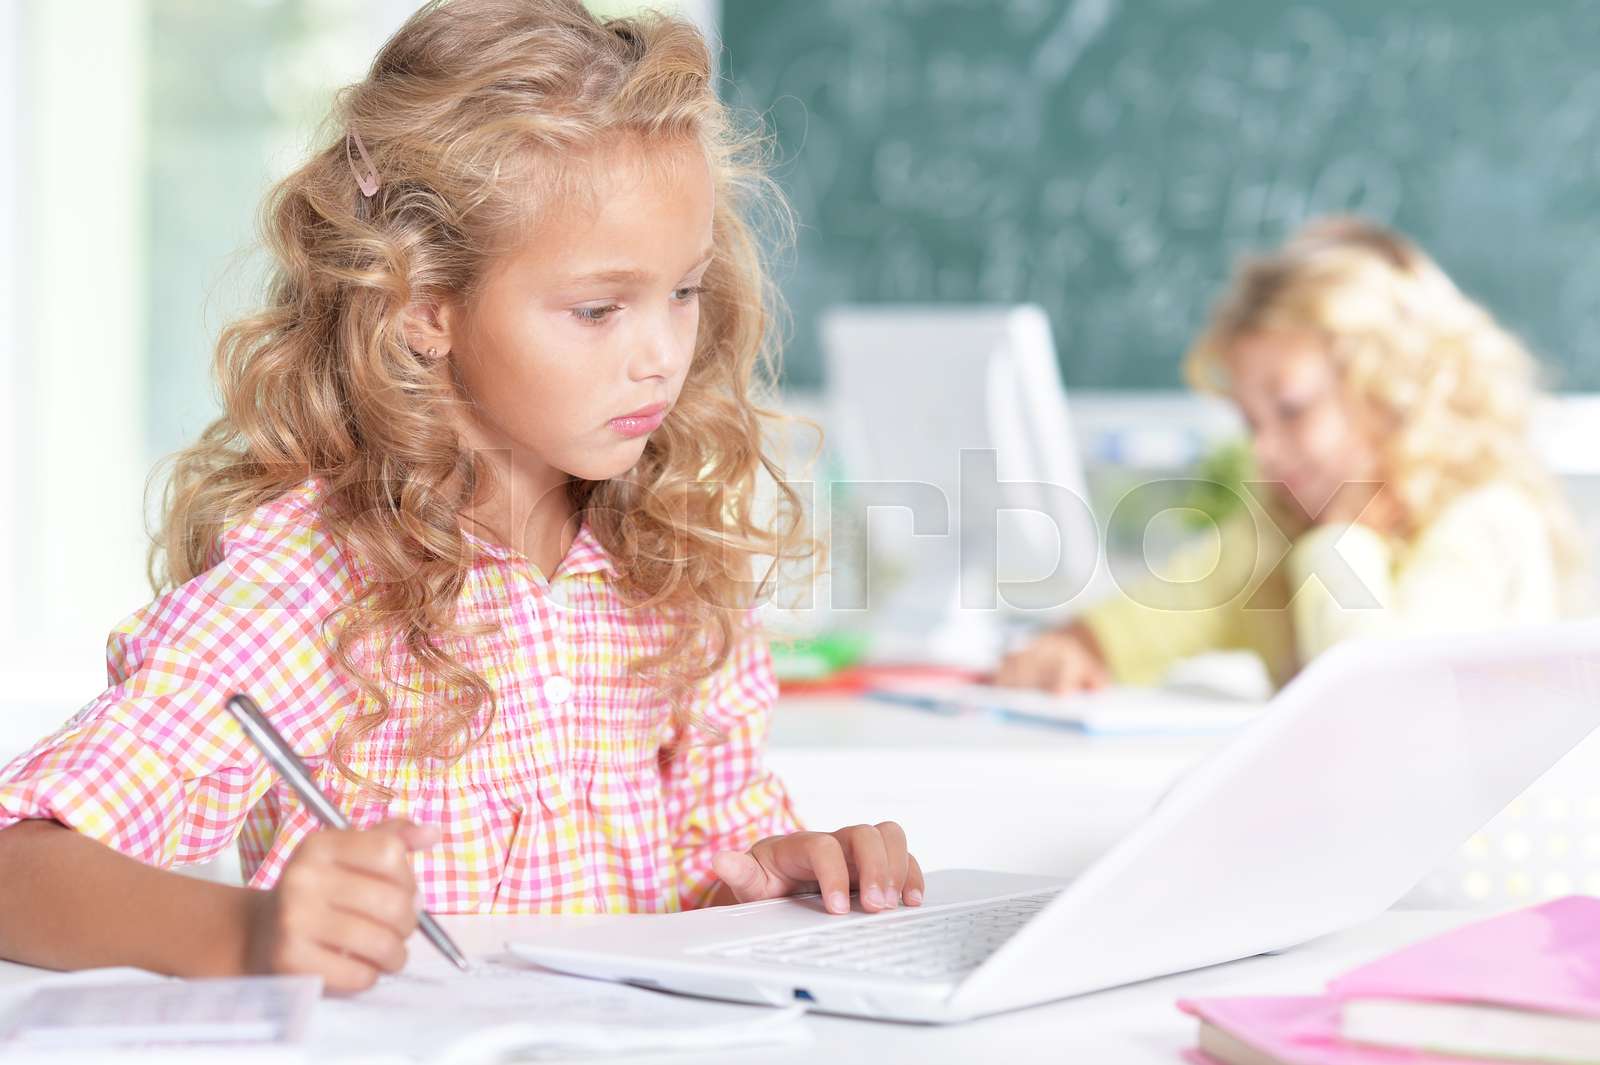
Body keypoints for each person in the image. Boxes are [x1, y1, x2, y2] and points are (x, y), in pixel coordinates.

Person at [0, 0, 921, 992]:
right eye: (599, 309)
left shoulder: (673, 566)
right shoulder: (309, 590)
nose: (661, 355)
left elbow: (710, 859)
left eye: (684, 291)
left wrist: (772, 880)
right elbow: (18, 863)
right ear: (424, 308)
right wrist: (251, 934)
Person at [998, 217, 1585, 695]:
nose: (1265, 449)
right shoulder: (1273, 532)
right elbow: (1140, 623)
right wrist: (1072, 647)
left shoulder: (1486, 523)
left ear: (1390, 392)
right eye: (1252, 421)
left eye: (1292, 409)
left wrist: (1339, 542)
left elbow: (1383, 702)